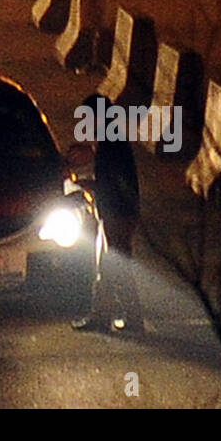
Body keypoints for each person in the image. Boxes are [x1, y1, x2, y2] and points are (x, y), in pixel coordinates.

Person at [72, 104, 144, 334]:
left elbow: (111, 183)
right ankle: (121, 318)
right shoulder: (112, 140)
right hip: (118, 212)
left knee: (113, 266)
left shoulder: (111, 145)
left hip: (117, 214)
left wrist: (85, 185)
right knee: (113, 266)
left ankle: (107, 318)